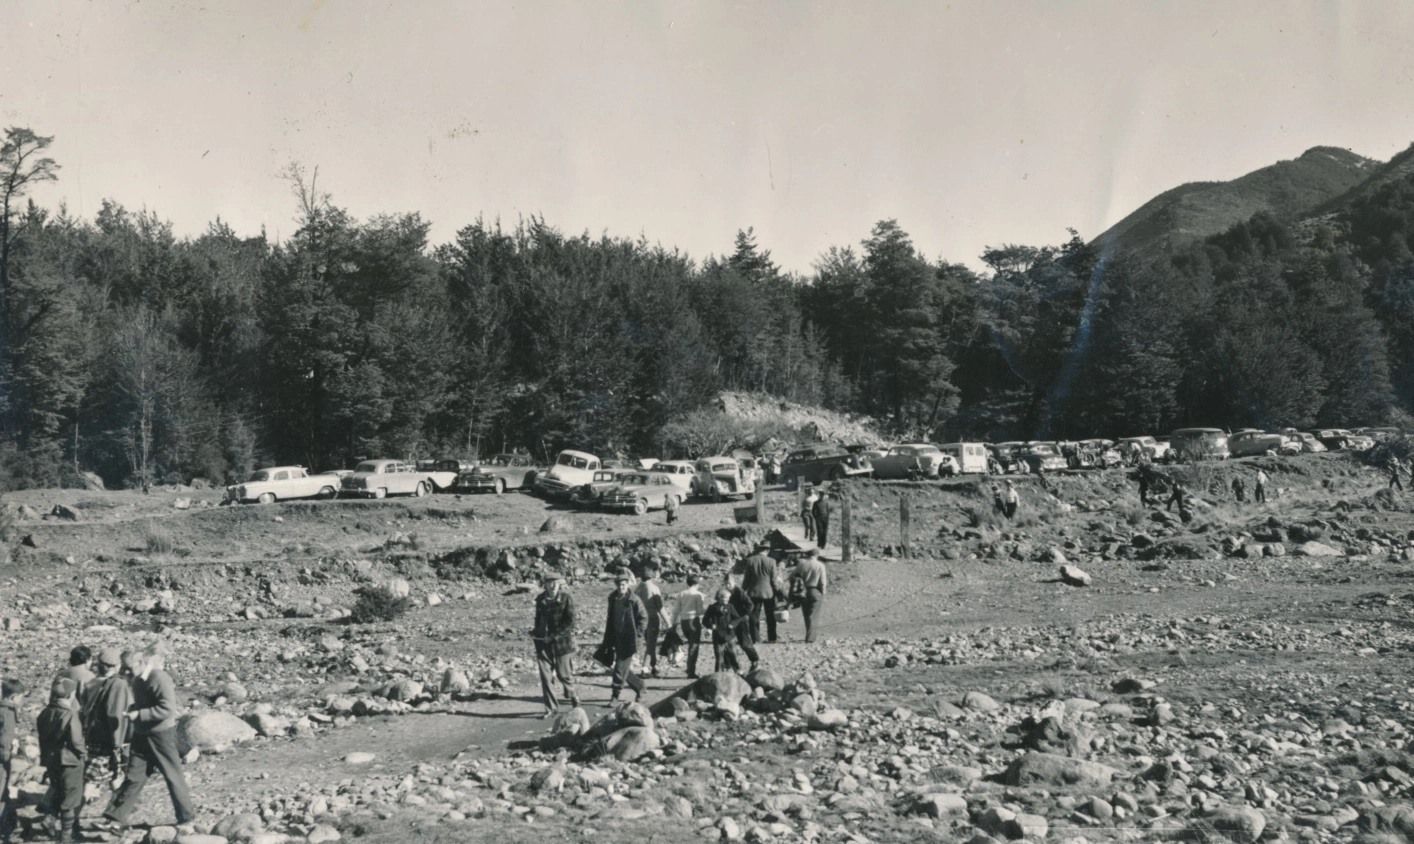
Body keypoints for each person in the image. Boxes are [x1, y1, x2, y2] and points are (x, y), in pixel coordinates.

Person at [101, 644, 195, 831]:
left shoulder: (160, 678)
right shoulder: (137, 680)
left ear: (141, 662)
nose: (125, 672)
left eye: (128, 668)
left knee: (172, 776)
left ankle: (186, 819)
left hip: (161, 734)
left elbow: (168, 709)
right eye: (123, 668)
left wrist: (140, 715)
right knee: (134, 775)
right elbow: (143, 703)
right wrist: (134, 709)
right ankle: (115, 817)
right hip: (141, 734)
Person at [39, 678, 87, 844]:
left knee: (58, 790)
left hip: (51, 760)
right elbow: (76, 740)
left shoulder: (45, 712)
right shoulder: (70, 714)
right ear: (71, 694)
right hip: (69, 760)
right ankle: (66, 836)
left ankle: (49, 818)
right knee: (70, 798)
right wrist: (83, 754)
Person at [80, 648, 131, 785]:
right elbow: (116, 714)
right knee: (106, 778)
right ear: (118, 666)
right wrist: (118, 743)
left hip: (91, 734)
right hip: (108, 737)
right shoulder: (118, 684)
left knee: (90, 776)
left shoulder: (91, 683)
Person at [532, 573, 579, 717]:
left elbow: (570, 623)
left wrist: (553, 636)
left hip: (562, 644)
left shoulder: (566, 598)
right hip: (543, 643)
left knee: (563, 675)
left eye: (555, 583)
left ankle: (573, 695)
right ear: (544, 584)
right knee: (546, 677)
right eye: (549, 583)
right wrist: (535, 631)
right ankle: (551, 709)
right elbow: (538, 618)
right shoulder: (540, 599)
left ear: (559, 584)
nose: (552, 586)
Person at [601, 574, 647, 703]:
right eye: (619, 585)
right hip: (615, 637)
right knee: (621, 666)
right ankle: (639, 686)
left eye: (624, 585)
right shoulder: (613, 598)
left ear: (628, 585)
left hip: (629, 639)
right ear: (616, 585)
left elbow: (644, 617)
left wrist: (637, 634)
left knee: (620, 667)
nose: (621, 587)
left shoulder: (634, 599)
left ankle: (615, 695)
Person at [702, 589, 752, 673]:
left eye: (728, 598)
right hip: (718, 636)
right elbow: (705, 620)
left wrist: (732, 624)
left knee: (733, 654)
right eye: (726, 598)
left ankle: (739, 671)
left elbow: (737, 618)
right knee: (719, 656)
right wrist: (711, 625)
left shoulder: (730, 607)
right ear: (719, 598)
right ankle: (718, 673)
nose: (728, 600)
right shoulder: (712, 608)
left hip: (729, 636)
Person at [739, 544, 779, 644]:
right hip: (768, 592)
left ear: (758, 550)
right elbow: (773, 580)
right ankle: (772, 638)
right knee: (770, 616)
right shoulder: (772, 561)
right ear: (767, 550)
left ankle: (755, 638)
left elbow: (746, 579)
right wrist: (777, 591)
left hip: (753, 592)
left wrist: (742, 590)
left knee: (754, 616)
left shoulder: (750, 560)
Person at [1, 679, 25, 844]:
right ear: (13, 697)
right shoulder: (8, 712)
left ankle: (8, 827)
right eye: (21, 697)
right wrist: (7, 757)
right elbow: (5, 739)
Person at [669, 574, 706, 678]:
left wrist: (673, 623)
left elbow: (676, 610)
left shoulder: (681, 594)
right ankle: (691, 671)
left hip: (683, 621)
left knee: (690, 643)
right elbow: (699, 611)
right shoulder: (698, 594)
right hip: (693, 621)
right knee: (694, 646)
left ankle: (688, 668)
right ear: (697, 584)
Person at [634, 564, 665, 678]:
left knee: (648, 641)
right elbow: (660, 607)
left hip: (640, 619)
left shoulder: (637, 588)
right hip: (652, 618)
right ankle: (645, 668)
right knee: (651, 643)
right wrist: (668, 622)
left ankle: (654, 665)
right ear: (652, 575)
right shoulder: (654, 588)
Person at [792, 550, 828, 643]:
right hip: (815, 590)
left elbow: (792, 576)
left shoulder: (801, 564)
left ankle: (808, 634)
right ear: (817, 555)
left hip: (803, 591)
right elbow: (823, 582)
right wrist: (823, 593)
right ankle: (810, 638)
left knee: (806, 614)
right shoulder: (820, 565)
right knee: (814, 615)